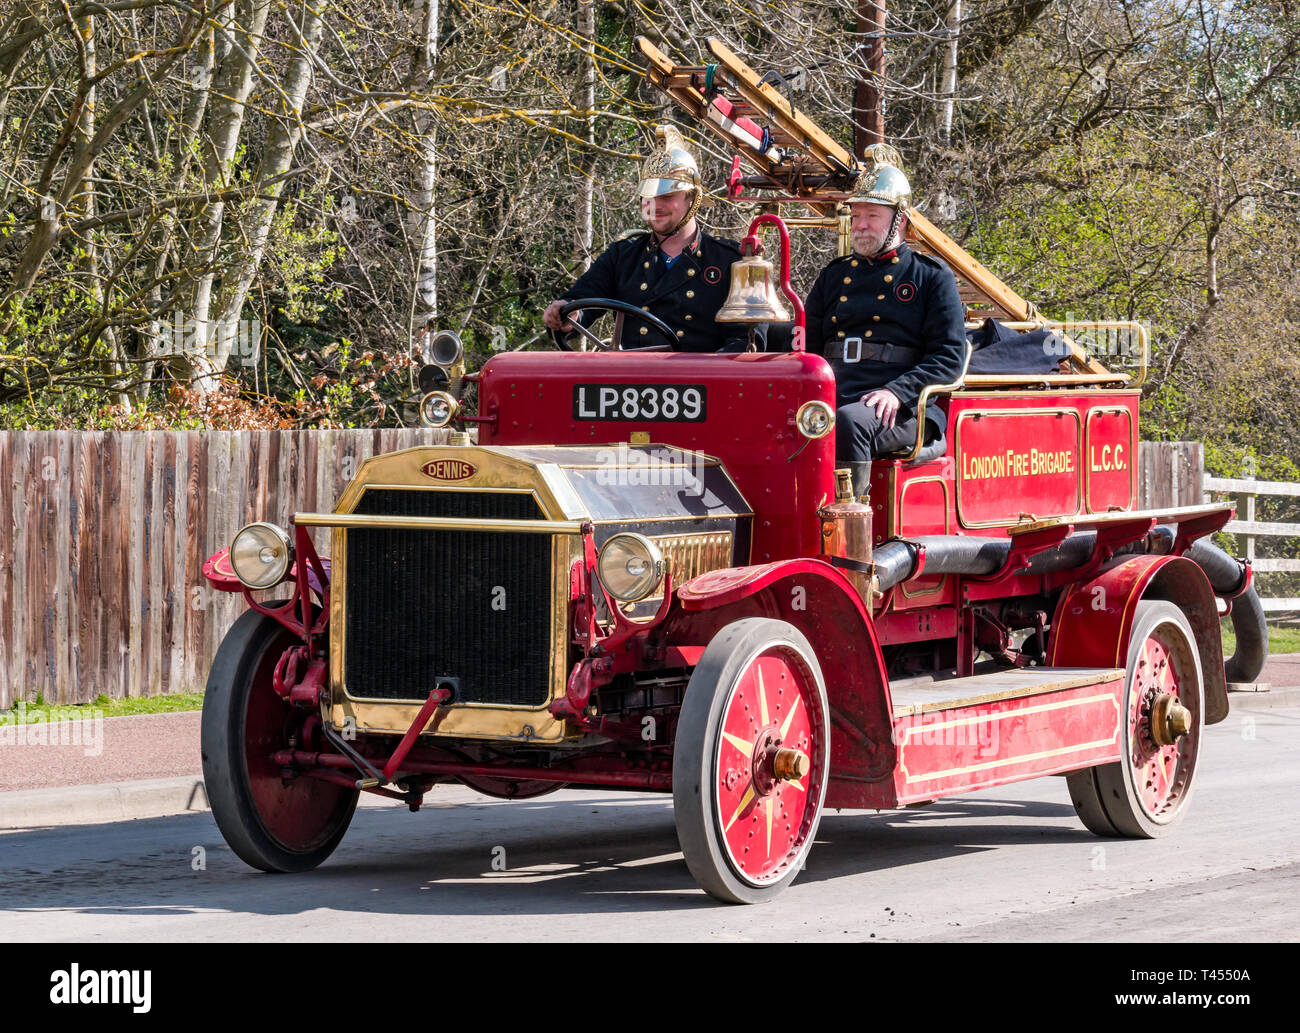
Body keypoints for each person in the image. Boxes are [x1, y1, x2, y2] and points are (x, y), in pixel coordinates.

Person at [804, 144, 966, 499]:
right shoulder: (833, 276)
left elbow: (950, 357)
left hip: (902, 406)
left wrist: (898, 391)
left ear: (899, 219)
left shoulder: (930, 277)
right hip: (834, 390)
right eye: (856, 215)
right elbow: (808, 346)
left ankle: (848, 533)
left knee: (850, 422)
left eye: (872, 216)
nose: (860, 225)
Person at [543, 126, 756, 352]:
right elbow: (581, 301)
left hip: (699, 382)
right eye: (649, 197)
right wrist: (566, 315)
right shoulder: (623, 256)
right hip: (630, 382)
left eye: (667, 196)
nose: (656, 206)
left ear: (692, 198)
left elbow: (744, 342)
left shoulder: (729, 261)